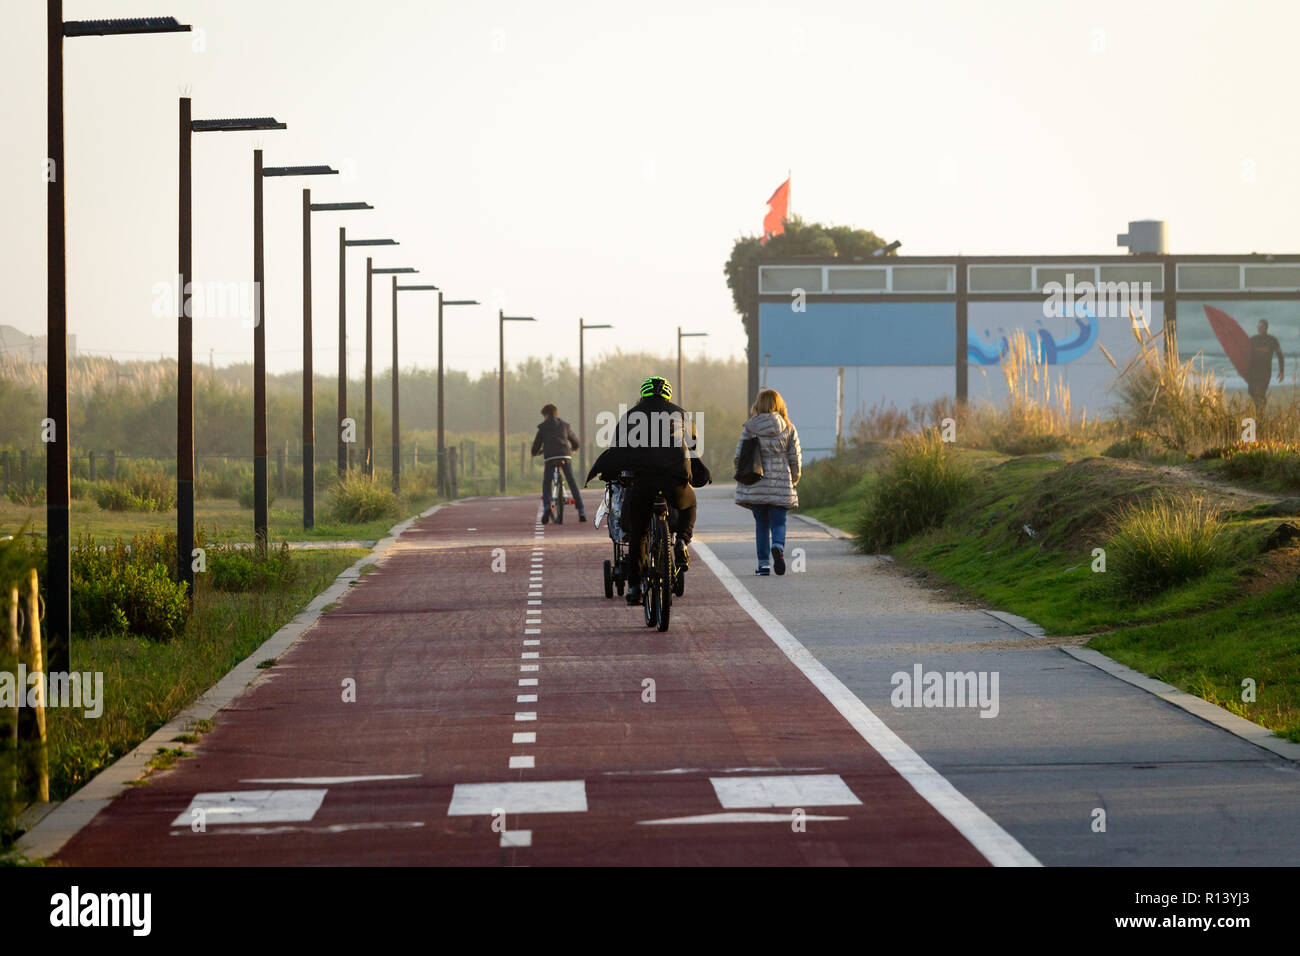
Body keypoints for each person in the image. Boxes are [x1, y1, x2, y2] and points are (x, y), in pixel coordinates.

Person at [585, 376, 710, 604]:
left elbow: (617, 448)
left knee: (637, 533)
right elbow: (693, 446)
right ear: (668, 395)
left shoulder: (631, 416)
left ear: (643, 395)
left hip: (644, 482)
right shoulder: (681, 414)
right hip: (675, 480)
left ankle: (634, 588)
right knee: (690, 504)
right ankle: (682, 540)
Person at [734, 388, 801, 575]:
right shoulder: (788, 427)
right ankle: (778, 546)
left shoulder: (750, 427)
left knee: (761, 525)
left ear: (759, 404)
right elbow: (795, 456)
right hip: (781, 482)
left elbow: (739, 455)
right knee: (779, 522)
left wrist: (739, 473)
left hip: (757, 482)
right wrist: (794, 477)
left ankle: (763, 564)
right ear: (779, 404)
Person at [531, 403, 585, 523]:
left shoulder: (543, 427)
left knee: (547, 482)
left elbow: (536, 445)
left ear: (545, 415)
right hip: (565, 454)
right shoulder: (564, 425)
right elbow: (575, 442)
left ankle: (547, 506)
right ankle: (581, 510)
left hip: (550, 456)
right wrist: (573, 449)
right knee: (571, 481)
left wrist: (535, 452)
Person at [1247, 319, 1285, 411]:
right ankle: (1259, 409)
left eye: (1261, 327)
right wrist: (1241, 369)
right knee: (1251, 392)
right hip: (1253, 371)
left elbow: (1280, 355)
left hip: (1265, 372)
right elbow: (1246, 355)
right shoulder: (1253, 339)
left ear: (1266, 328)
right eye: (1258, 327)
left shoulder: (1272, 340)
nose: (1259, 329)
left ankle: (1260, 413)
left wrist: (1281, 371)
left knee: (1261, 393)